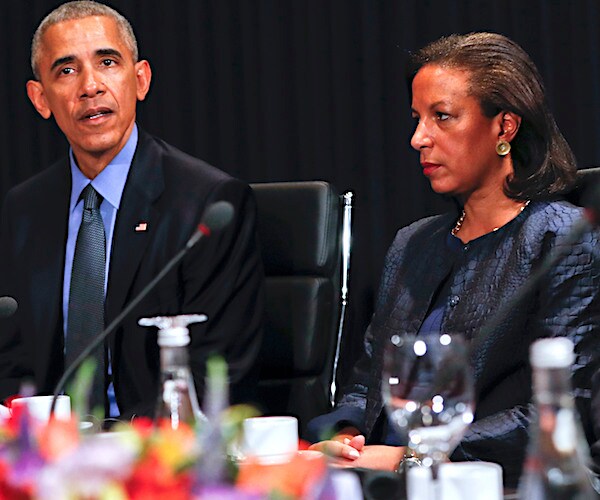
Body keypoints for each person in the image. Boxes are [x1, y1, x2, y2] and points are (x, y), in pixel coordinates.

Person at [308, 32, 600, 488]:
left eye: (442, 117)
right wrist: (346, 438)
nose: (418, 138)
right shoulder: (412, 243)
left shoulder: (562, 239)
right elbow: (368, 382)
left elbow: (560, 411)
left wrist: (410, 459)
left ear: (505, 127)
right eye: (417, 119)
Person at [0, 1, 264, 420]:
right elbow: (11, 363)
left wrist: (120, 445)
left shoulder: (208, 204)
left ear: (140, 79)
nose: (91, 86)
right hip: (49, 450)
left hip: (156, 447)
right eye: (66, 70)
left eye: (107, 62)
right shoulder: (23, 210)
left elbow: (216, 375)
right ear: (40, 98)